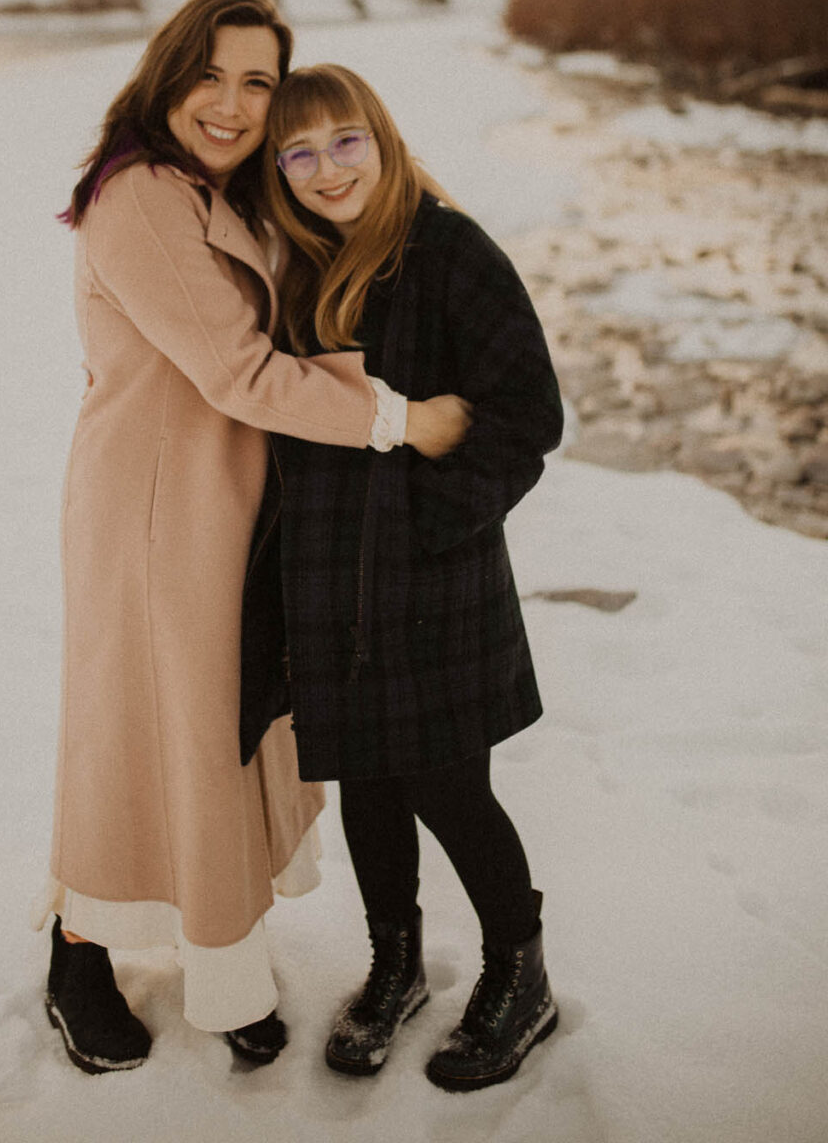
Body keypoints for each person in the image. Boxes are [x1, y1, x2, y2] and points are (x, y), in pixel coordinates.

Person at [34, 0, 469, 1075]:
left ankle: (222, 967)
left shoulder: (223, 188)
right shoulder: (141, 196)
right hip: (157, 516)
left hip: (236, 507)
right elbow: (236, 369)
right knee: (148, 737)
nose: (230, 104)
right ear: (168, 76)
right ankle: (76, 957)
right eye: (210, 76)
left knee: (222, 741)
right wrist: (399, 420)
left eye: (257, 82)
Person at [240, 63, 565, 1091]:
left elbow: (528, 415)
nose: (326, 168)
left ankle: (521, 971)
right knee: (365, 778)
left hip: (432, 581)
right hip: (327, 581)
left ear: (381, 138)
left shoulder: (450, 249)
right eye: (298, 153)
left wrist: (427, 522)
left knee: (448, 784)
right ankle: (395, 964)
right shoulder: (298, 264)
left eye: (345, 141)